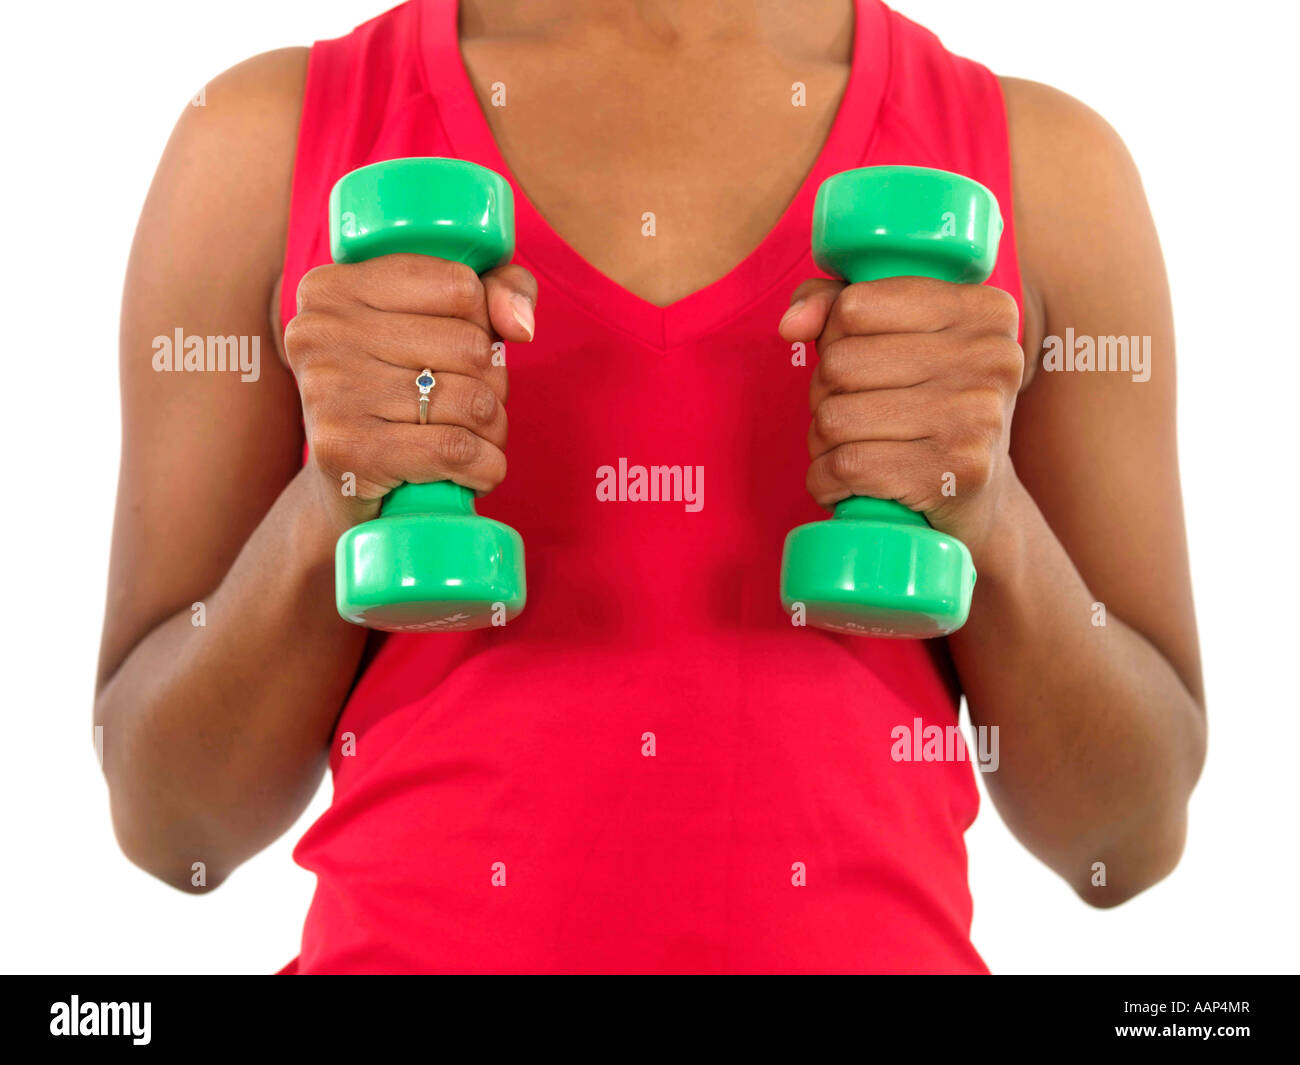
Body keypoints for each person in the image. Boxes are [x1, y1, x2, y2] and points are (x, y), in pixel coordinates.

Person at [96, 0, 1205, 973]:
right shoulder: (261, 140)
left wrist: (992, 519)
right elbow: (171, 823)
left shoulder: (1048, 171)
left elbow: (1124, 840)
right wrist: (327, 509)